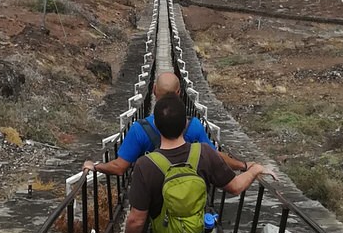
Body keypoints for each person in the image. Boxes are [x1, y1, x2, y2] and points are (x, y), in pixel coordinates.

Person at [120, 93, 269, 233]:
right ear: (186, 125)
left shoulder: (145, 165)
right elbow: (236, 187)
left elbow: (136, 220)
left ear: (157, 127)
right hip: (190, 231)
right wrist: (254, 169)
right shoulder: (204, 154)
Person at [82, 71, 249, 177]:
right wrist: (244, 165)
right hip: (186, 200)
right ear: (179, 93)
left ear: (154, 90)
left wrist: (96, 166)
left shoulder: (139, 129)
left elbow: (119, 167)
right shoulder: (194, 125)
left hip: (151, 198)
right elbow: (216, 157)